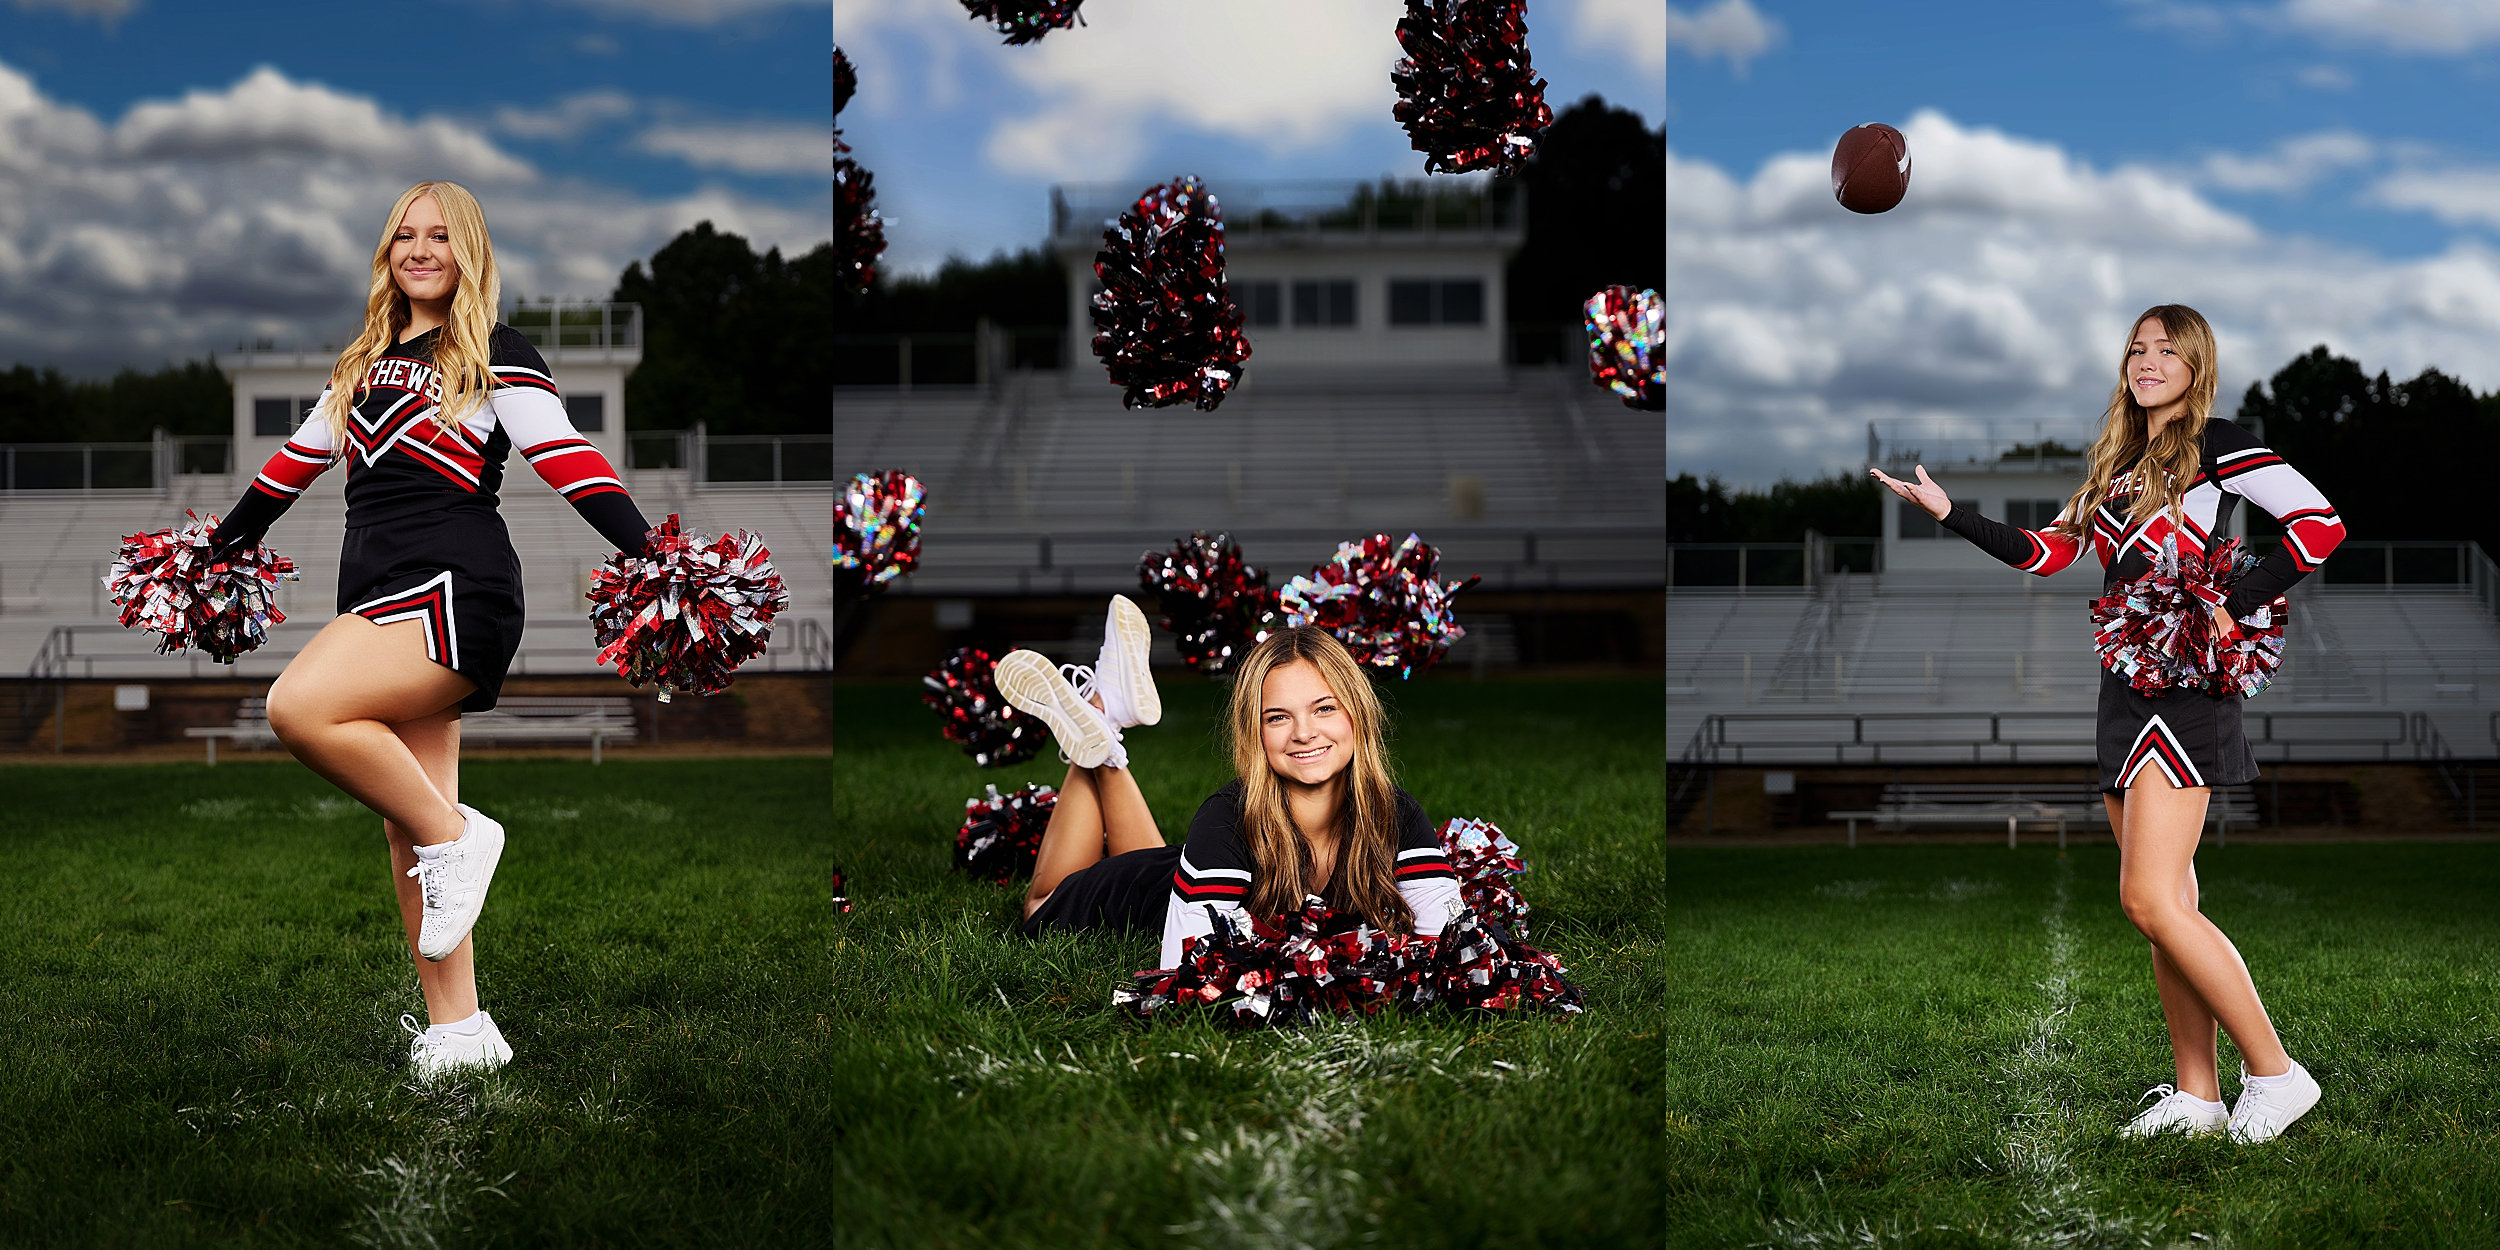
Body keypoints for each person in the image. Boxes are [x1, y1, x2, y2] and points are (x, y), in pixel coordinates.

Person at [206, 182, 654, 1081]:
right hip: (372, 588)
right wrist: (213, 550)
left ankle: (463, 837)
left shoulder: (494, 350)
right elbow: (293, 464)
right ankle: (461, 1032)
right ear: (387, 252)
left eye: (439, 235)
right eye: (404, 234)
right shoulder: (363, 358)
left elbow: (565, 456)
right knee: (405, 829)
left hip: (456, 588)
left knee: (300, 707)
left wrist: (653, 553)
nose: (419, 249)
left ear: (468, 252)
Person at [1872, 304, 2345, 1144]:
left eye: (2167, 349)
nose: (2148, 360)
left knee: (2150, 899)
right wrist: (1951, 513)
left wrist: (2229, 603)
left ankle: (2277, 1072)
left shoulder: (2223, 444)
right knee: (2171, 902)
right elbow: (2047, 551)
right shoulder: (2119, 461)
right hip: (2124, 690)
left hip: (2187, 685)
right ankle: (2198, 1097)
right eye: (2137, 348)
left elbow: (2319, 527)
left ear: (2197, 363)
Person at [993, 604, 1462, 968]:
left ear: (1358, 713)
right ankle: (1099, 721)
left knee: (1156, 864)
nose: (1304, 733)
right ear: (1253, 733)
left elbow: (1451, 941)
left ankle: (1102, 719)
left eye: (1325, 709)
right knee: (1041, 903)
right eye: (1278, 717)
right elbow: (1190, 966)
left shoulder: (1395, 812)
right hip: (1131, 894)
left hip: (1177, 876)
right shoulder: (1227, 817)